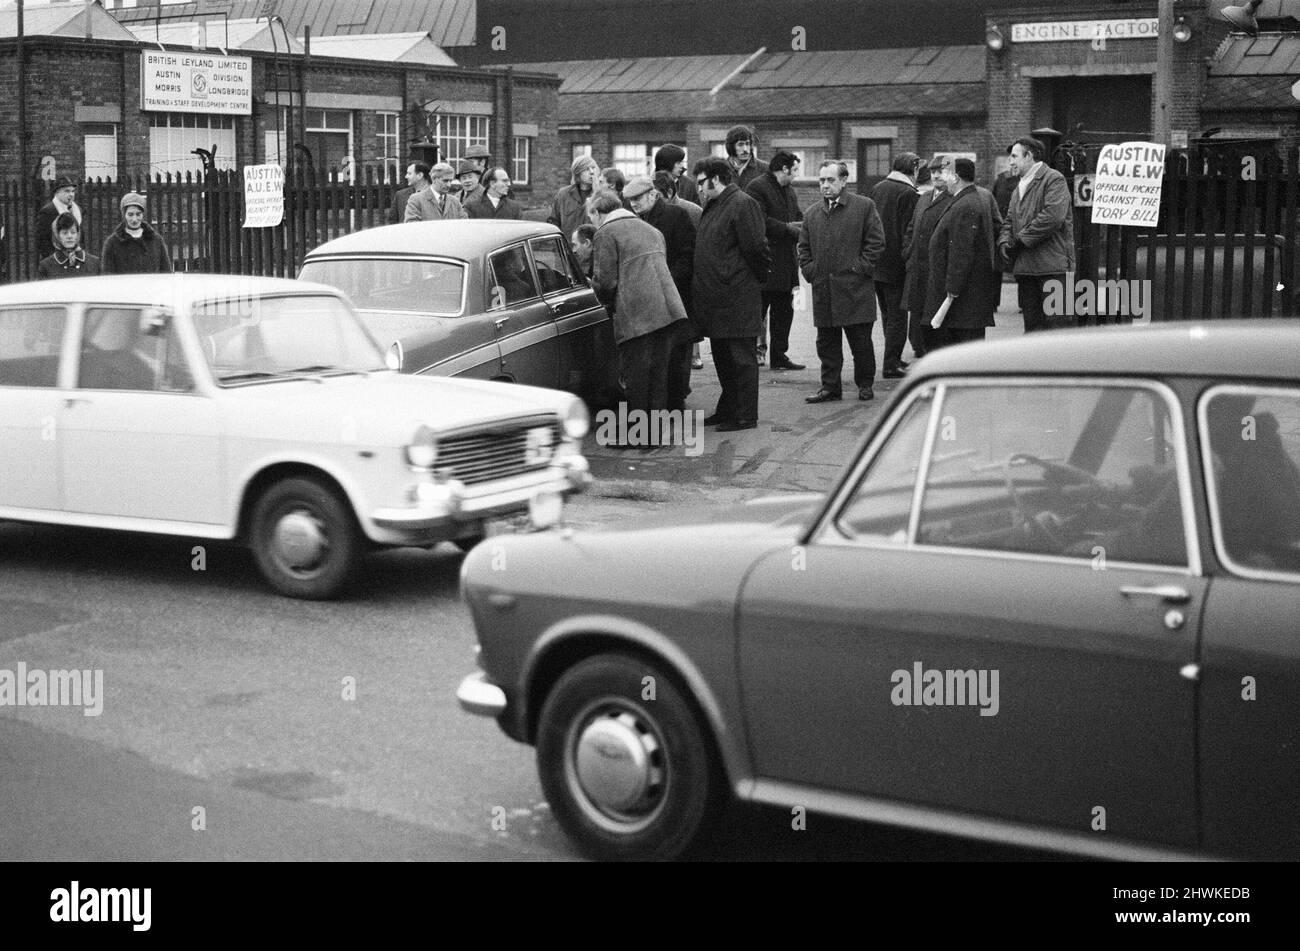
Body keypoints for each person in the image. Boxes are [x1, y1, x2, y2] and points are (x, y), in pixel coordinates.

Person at [587, 189, 687, 447]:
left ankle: (639, 436)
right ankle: (654, 436)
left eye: (593, 216)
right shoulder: (651, 230)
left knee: (637, 377)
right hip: (668, 310)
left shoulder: (606, 233)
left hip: (638, 315)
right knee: (657, 374)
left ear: (598, 212)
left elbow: (606, 282)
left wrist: (592, 286)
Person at [691, 156, 770, 431]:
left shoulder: (742, 204)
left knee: (741, 359)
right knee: (724, 358)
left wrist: (747, 282)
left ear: (715, 179)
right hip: (718, 298)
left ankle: (745, 415)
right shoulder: (714, 205)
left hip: (736, 296)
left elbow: (757, 250)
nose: (699, 188)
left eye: (702, 182)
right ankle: (728, 409)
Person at [798, 159, 886, 403]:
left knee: (861, 344)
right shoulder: (812, 213)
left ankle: (865, 385)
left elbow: (876, 243)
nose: (825, 186)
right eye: (821, 181)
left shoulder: (864, 206)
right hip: (824, 288)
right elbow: (803, 247)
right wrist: (811, 271)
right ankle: (830, 387)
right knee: (827, 344)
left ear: (844, 181)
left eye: (830, 180)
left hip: (855, 290)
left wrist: (859, 268)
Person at [626, 175, 697, 413]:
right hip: (650, 297)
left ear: (653, 195)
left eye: (638, 198)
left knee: (677, 353)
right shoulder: (634, 220)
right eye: (630, 200)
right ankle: (662, 404)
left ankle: (676, 402)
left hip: (674, 293)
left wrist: (667, 280)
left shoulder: (676, 216)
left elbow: (688, 254)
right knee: (658, 355)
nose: (634, 204)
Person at [999, 136, 1075, 332]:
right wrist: (1005, 241)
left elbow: (1052, 217)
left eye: (1014, 156)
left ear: (1029, 156)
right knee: (1032, 330)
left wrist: (1021, 240)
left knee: (1057, 330)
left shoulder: (1054, 179)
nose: (1010, 161)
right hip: (1026, 270)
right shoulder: (1019, 187)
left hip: (1053, 269)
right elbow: (1009, 220)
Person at [924, 158, 999, 350]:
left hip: (962, 299)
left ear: (955, 177)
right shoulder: (966, 200)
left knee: (963, 349)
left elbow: (961, 251)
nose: (943, 178)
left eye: (946, 174)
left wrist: (951, 289)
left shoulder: (964, 205)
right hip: (965, 297)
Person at [745, 150, 805, 371]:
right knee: (756, 313)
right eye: (795, 170)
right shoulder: (757, 187)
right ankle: (748, 357)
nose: (796, 175)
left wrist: (802, 224)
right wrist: (788, 229)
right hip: (766, 262)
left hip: (787, 262)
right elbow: (759, 219)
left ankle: (779, 356)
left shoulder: (789, 191)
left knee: (784, 313)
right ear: (785, 169)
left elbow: (796, 215)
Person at [870, 152, 922, 377]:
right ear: (914, 169)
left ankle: (892, 358)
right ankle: (891, 364)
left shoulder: (878, 188)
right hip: (897, 265)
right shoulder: (909, 193)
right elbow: (909, 232)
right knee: (898, 318)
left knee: (888, 316)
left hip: (877, 263)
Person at [902, 156, 954, 359]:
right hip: (917, 268)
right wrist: (907, 252)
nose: (936, 176)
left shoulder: (954, 198)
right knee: (917, 313)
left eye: (941, 171)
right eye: (933, 172)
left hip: (937, 270)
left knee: (935, 316)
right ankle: (920, 348)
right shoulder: (924, 197)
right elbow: (911, 227)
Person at [100, 192, 172, 274]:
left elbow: (166, 274)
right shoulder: (112, 243)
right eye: (130, 214)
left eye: (138, 214)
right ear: (124, 215)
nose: (134, 219)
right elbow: (108, 277)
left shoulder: (156, 240)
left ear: (143, 214)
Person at [549, 155, 600, 240]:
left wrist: (597, 193)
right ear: (577, 173)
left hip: (591, 247)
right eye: (587, 169)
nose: (591, 172)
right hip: (569, 247)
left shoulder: (602, 194)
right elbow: (553, 222)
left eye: (593, 168)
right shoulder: (563, 195)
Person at [38, 211, 100, 279]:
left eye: (73, 232)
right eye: (65, 233)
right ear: (57, 236)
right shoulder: (46, 266)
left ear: (78, 234)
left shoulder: (94, 263)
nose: (69, 236)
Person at [35, 175, 83, 261]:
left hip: (76, 259)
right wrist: (53, 261)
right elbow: (42, 241)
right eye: (67, 191)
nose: (71, 195)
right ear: (57, 193)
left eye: (73, 191)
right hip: (56, 261)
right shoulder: (48, 212)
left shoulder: (78, 210)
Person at [724, 125, 767, 192]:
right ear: (731, 147)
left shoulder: (764, 169)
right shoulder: (722, 169)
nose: (745, 149)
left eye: (747, 144)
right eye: (740, 144)